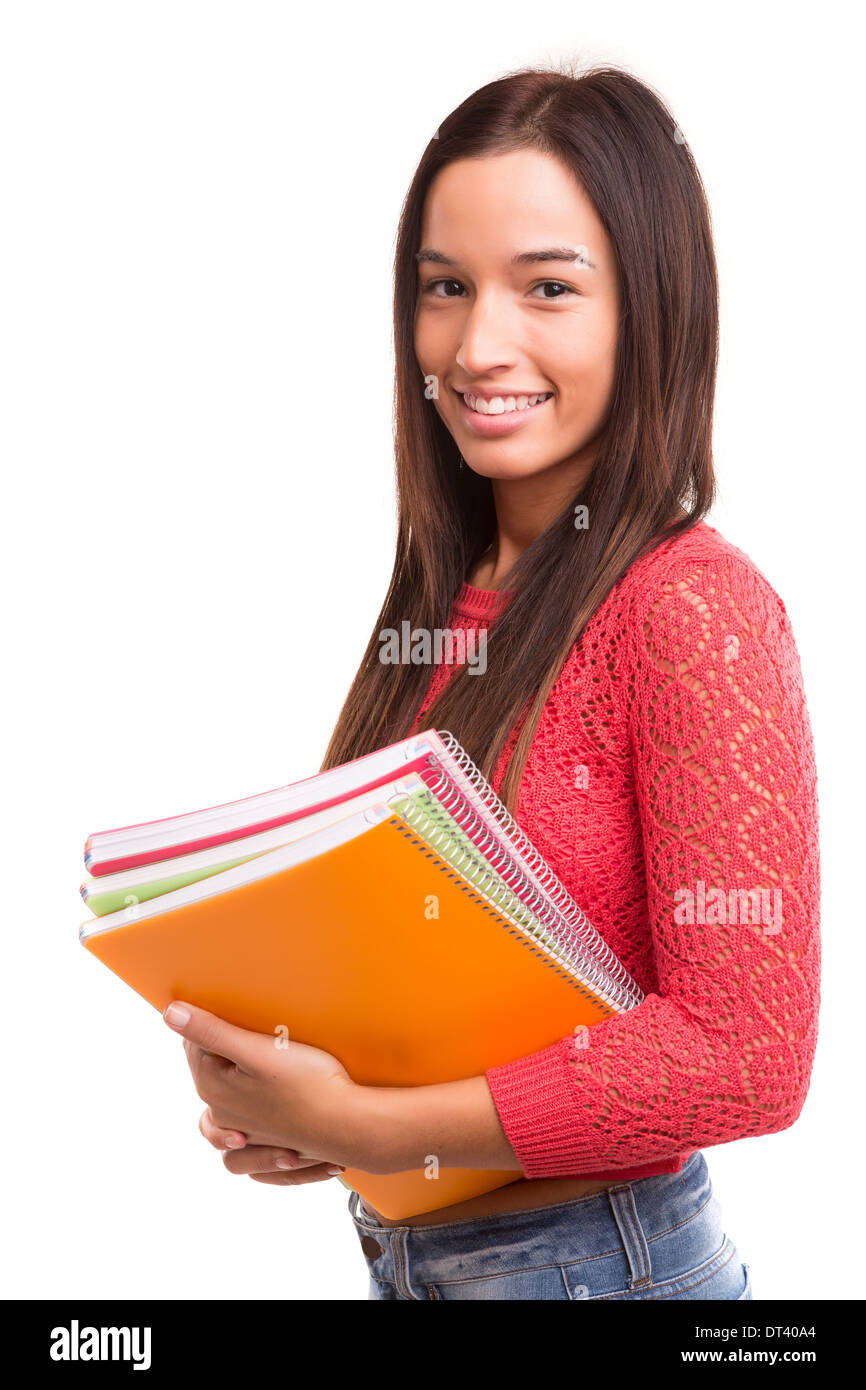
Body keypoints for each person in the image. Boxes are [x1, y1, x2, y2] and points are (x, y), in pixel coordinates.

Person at [167, 64, 820, 1301]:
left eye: (548, 289)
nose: (476, 347)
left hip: (600, 1271)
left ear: (651, 308)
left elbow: (749, 1054)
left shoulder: (690, 608)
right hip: (421, 1261)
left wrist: (376, 1128)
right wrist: (321, 1115)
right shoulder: (444, 594)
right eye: (444, 288)